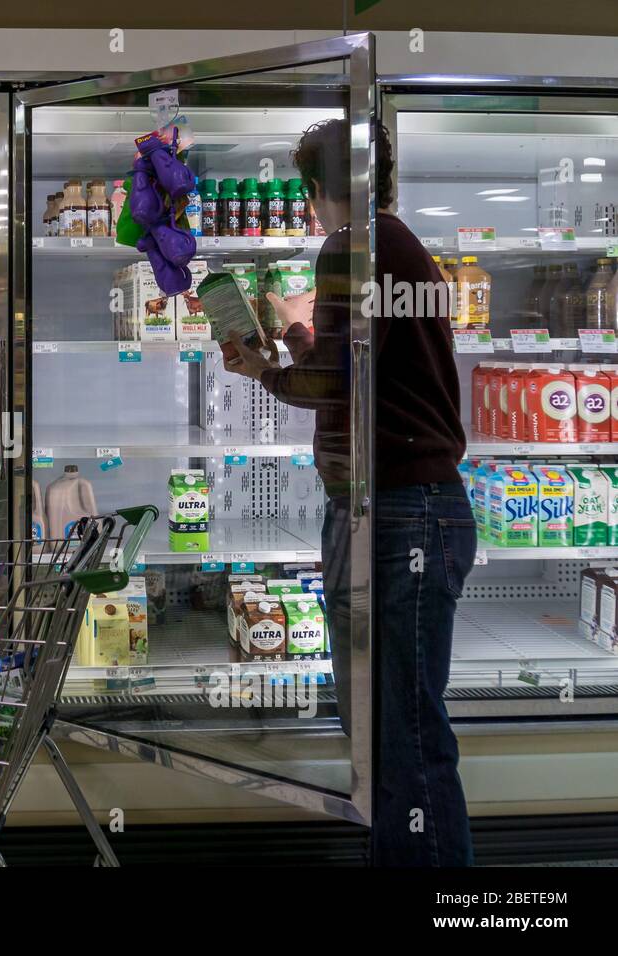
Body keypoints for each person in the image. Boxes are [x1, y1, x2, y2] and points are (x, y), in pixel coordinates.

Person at [223, 118, 474, 867]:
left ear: (313, 192)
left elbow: (335, 383)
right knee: (393, 730)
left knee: (404, 737)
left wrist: (259, 369)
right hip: (406, 510)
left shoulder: (352, 246)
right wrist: (299, 342)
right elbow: (359, 375)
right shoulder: (400, 249)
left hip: (399, 517)